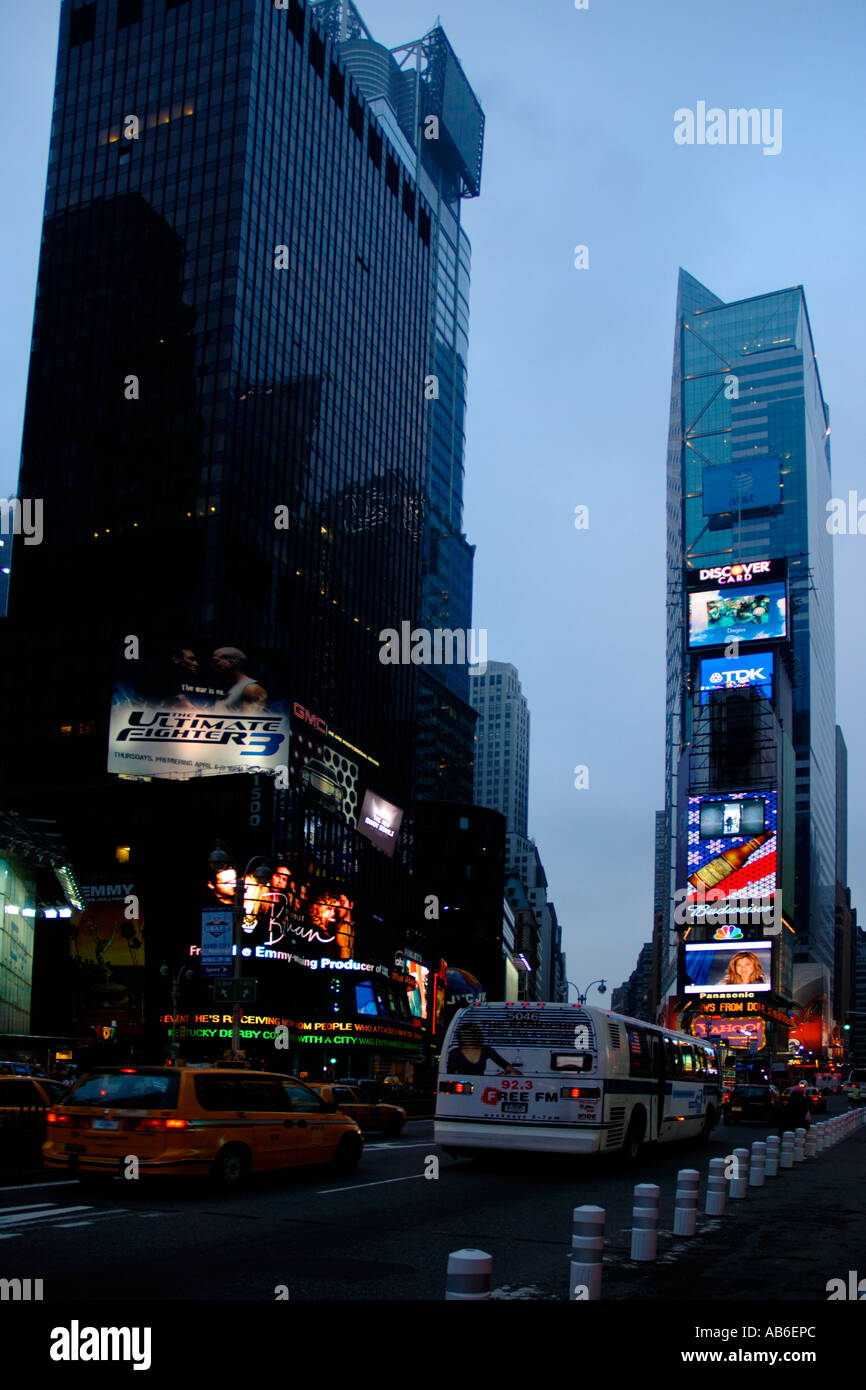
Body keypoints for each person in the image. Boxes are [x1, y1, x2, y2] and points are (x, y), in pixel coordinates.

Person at [447, 1021, 521, 1076]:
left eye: (468, 1035)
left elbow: (511, 1070)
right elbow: (449, 1075)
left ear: (475, 1036)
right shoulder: (455, 1053)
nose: (465, 1038)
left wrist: (498, 1078)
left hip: (482, 1087)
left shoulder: (486, 1050)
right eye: (463, 1035)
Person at [212, 647, 268, 712]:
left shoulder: (251, 689)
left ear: (230, 663)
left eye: (215, 661)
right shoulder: (227, 688)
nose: (212, 665)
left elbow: (250, 720)